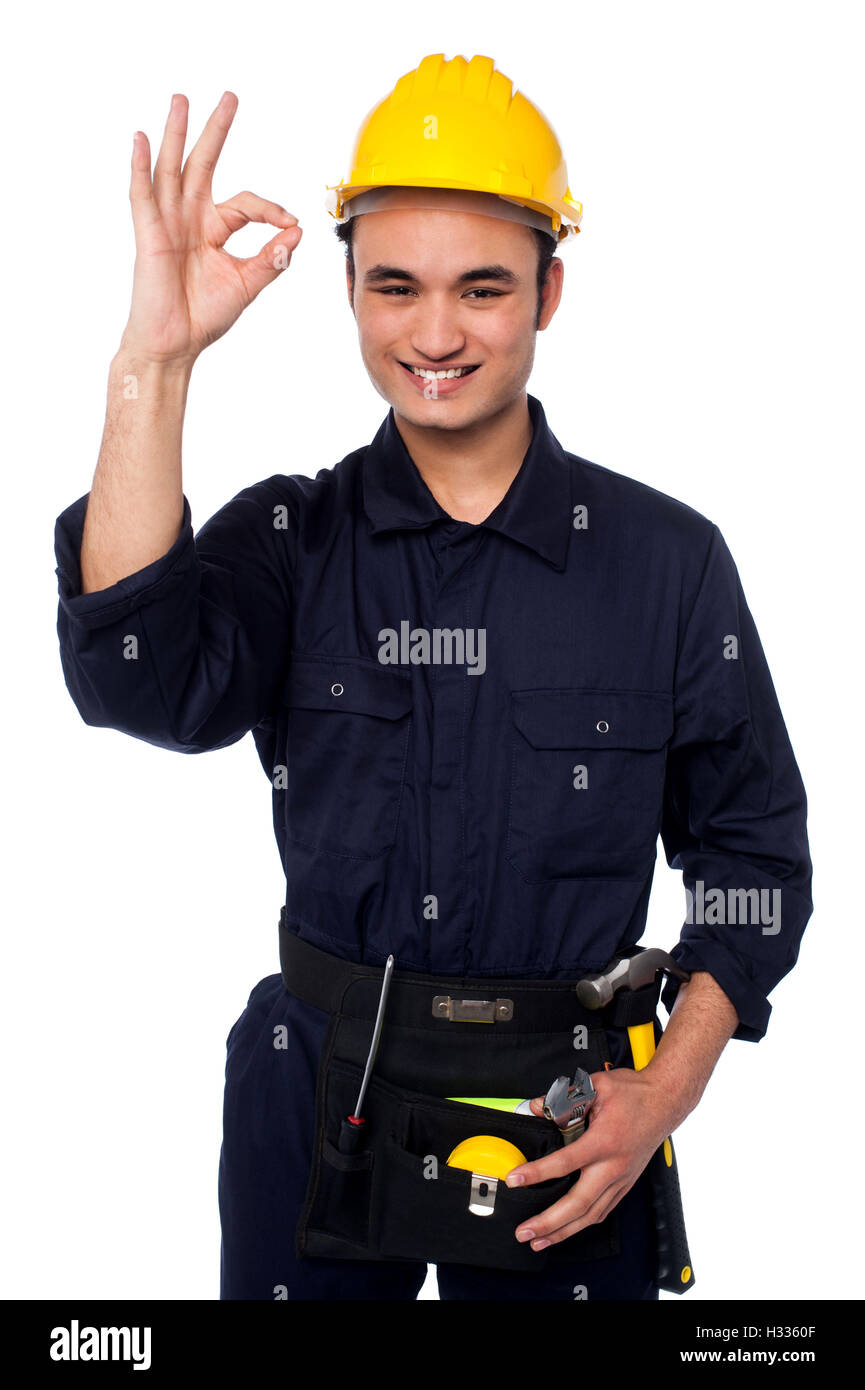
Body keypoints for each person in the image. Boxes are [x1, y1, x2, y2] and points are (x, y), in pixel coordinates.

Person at [53, 55, 812, 1301]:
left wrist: (664, 1091)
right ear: (347, 288)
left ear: (549, 290)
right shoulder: (294, 543)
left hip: (569, 1129)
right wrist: (158, 356)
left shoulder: (669, 566)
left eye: (484, 288)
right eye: (394, 286)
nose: (436, 333)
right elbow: (135, 678)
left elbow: (754, 866)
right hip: (313, 1099)